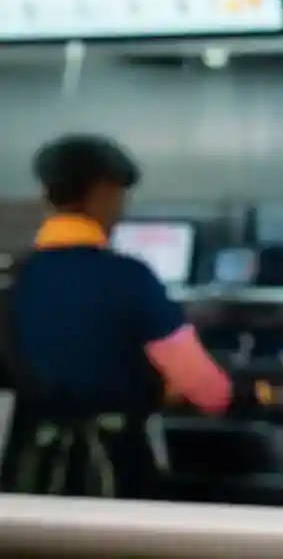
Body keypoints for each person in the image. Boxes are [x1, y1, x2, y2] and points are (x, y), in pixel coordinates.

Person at [0, 134, 231, 498]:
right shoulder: (129, 278)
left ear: (47, 196)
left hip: (30, 482)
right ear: (103, 194)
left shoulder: (15, 278)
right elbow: (208, 390)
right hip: (114, 476)